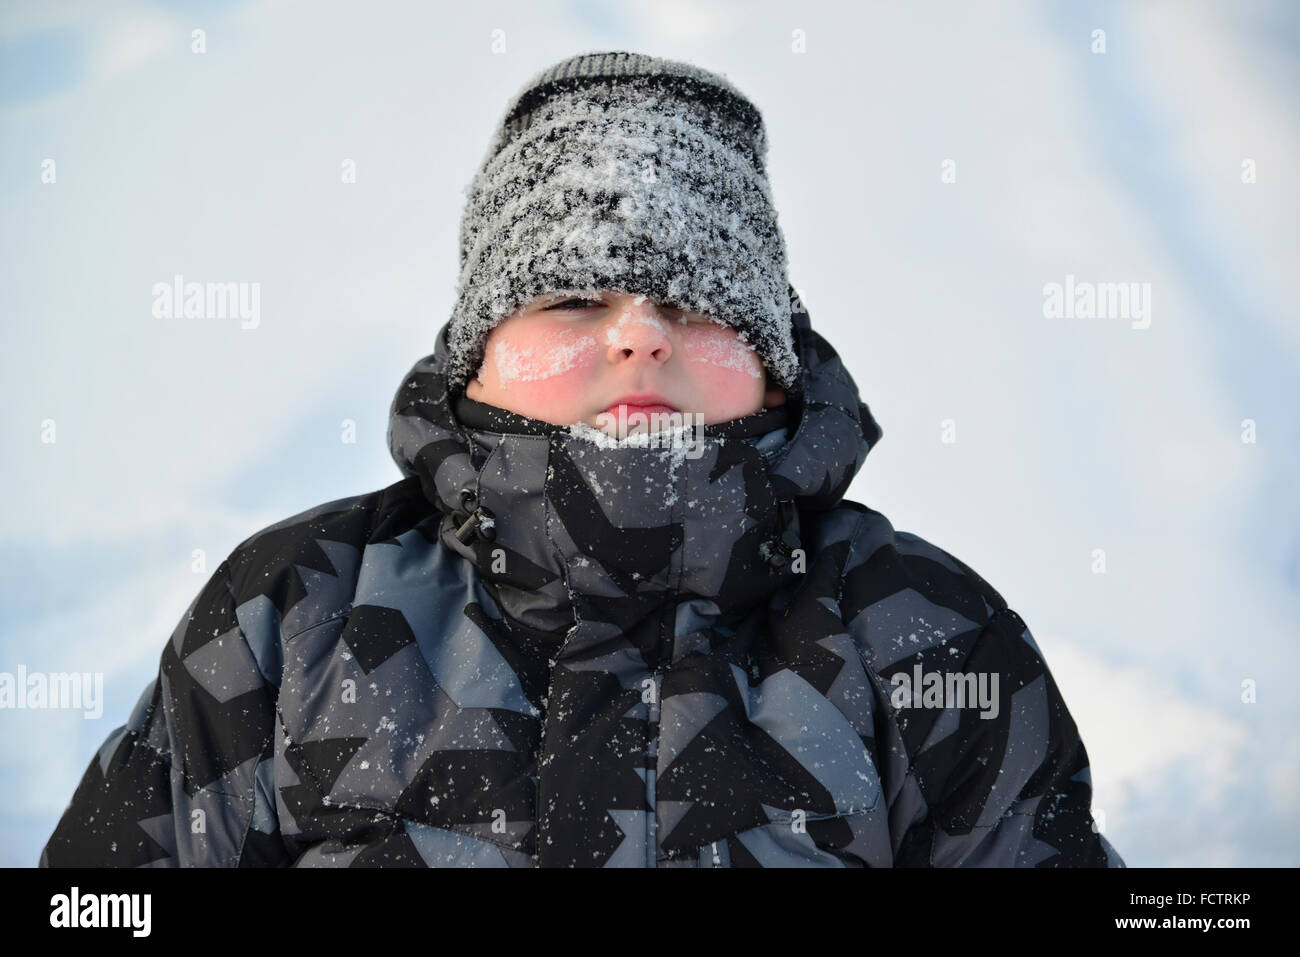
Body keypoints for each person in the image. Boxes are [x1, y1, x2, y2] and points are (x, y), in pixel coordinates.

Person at [39, 50, 1124, 868]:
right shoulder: (295, 607)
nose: (640, 336)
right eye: (571, 299)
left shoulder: (916, 625)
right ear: (477, 363)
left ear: (775, 371)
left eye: (698, 305)